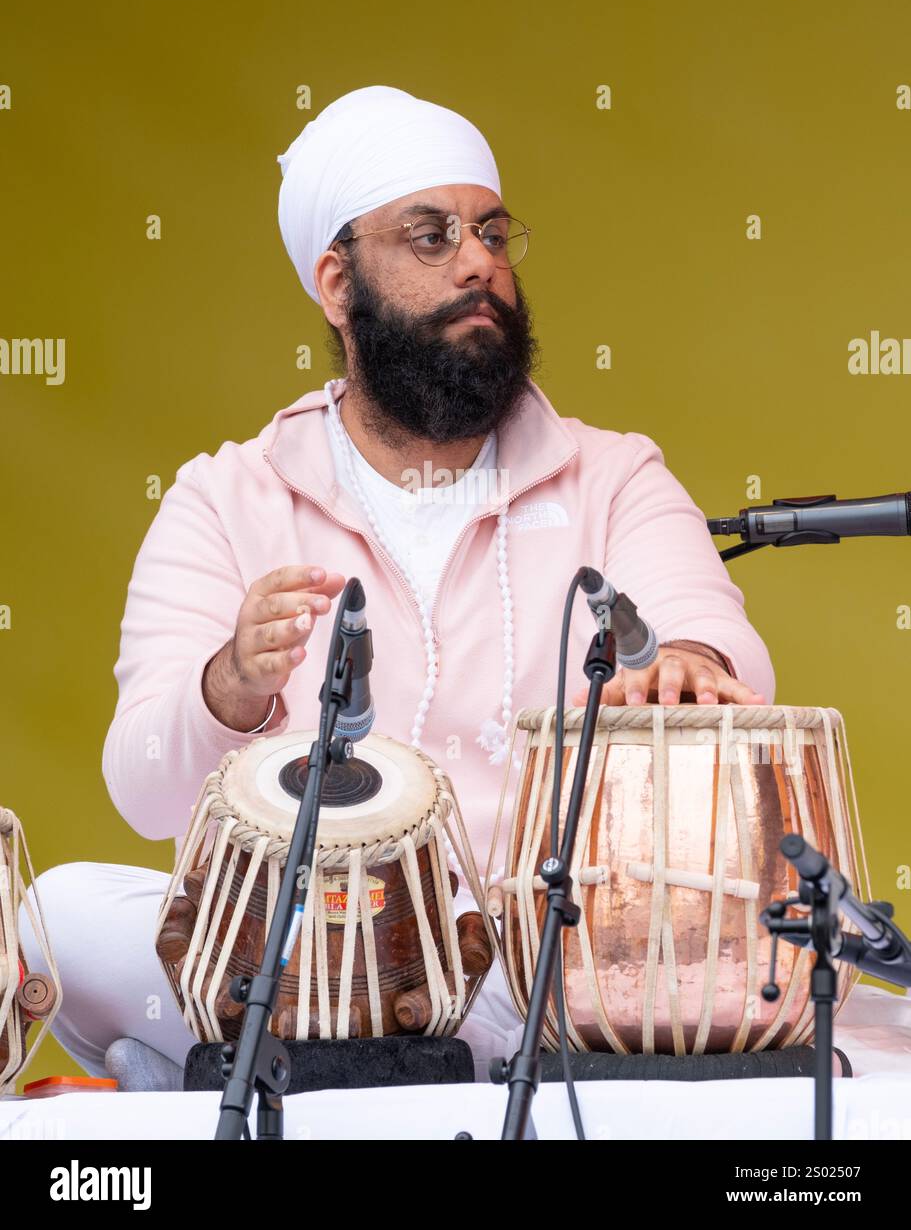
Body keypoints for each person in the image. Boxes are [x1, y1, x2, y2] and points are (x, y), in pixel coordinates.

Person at [20, 85, 775, 1087]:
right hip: (296, 952)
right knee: (56, 915)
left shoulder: (613, 475)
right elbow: (142, 785)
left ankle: (244, 1072)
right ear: (338, 283)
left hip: (528, 957)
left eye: (492, 234)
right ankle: (364, 1063)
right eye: (431, 236)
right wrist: (228, 685)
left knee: (702, 966)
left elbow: (712, 635)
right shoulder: (225, 497)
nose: (478, 263)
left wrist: (685, 660)